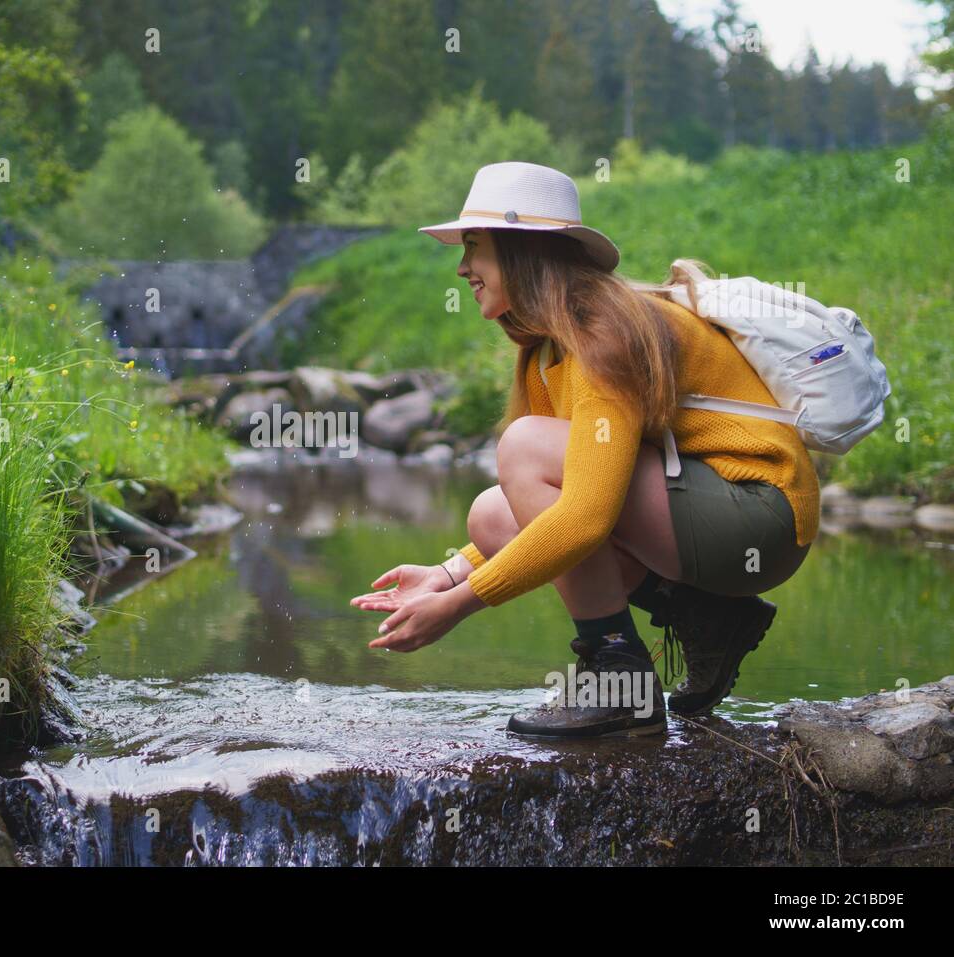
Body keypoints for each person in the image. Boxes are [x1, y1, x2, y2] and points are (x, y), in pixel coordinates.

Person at [349, 161, 819, 738]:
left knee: (525, 447)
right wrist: (447, 575)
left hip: (757, 514)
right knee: (493, 514)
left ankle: (618, 676)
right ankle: (704, 616)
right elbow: (564, 497)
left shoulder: (604, 330)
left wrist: (462, 604)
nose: (462, 267)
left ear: (520, 250)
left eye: (474, 248)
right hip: (703, 515)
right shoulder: (549, 347)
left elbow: (587, 515)